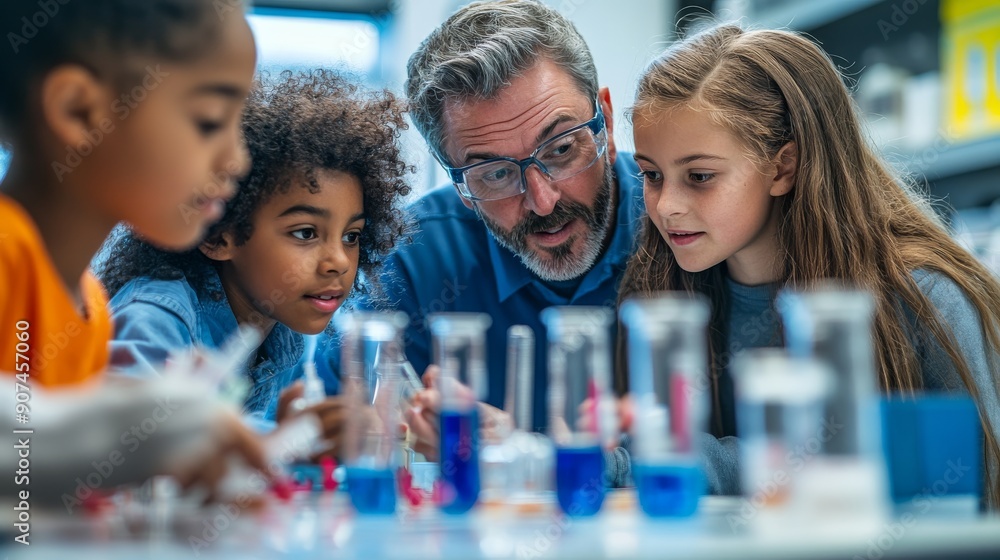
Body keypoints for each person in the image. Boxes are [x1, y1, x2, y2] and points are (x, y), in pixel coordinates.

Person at [621, 23, 1000, 503]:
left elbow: (978, 500)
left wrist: (673, 461)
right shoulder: (663, 293)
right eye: (651, 175)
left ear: (783, 166)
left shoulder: (926, 297)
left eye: (699, 176)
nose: (666, 206)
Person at [0, 0, 267, 498]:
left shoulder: (89, 306)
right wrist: (127, 428)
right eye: (210, 121)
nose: (237, 159)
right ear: (78, 110)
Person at [379, 0, 643, 487]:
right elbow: (334, 438)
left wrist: (528, 457)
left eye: (561, 149)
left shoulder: (682, 220)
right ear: (458, 185)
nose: (542, 201)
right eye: (496, 174)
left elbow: (767, 447)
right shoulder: (411, 260)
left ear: (605, 120)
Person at [96, 69, 412, 445]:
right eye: (305, 233)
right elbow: (130, 439)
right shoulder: (157, 317)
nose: (339, 262)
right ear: (219, 235)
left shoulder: (284, 331)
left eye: (351, 236)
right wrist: (289, 439)